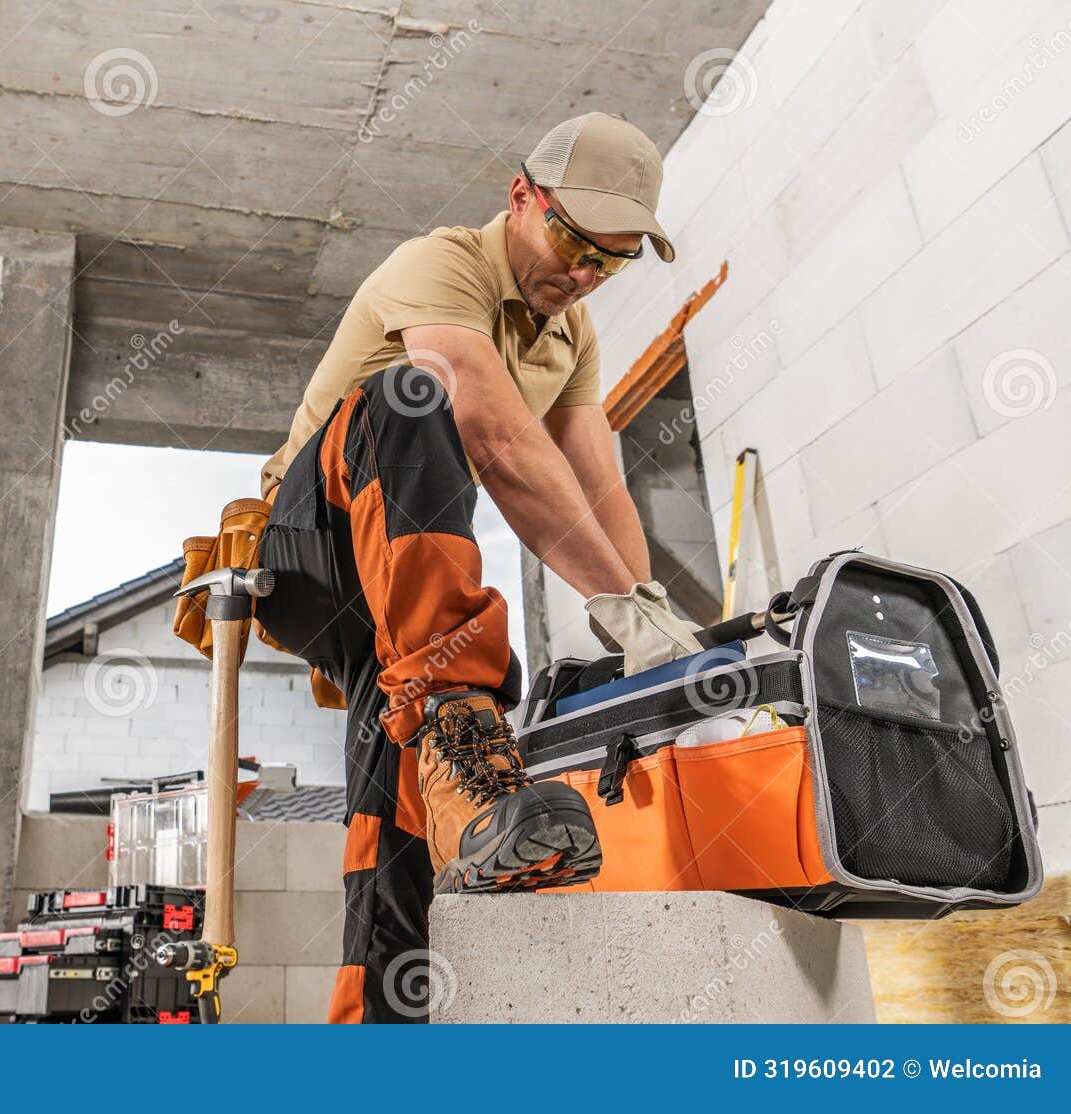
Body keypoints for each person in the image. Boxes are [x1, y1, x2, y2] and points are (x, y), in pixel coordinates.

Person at [253, 113, 705, 1023]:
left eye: (608, 262)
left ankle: (382, 1024)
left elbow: (598, 487)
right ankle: (464, 733)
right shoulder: (442, 263)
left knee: (412, 788)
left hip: (407, 589)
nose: (582, 274)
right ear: (521, 199)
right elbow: (493, 433)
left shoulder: (571, 338)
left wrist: (654, 616)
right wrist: (613, 594)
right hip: (310, 551)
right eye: (573, 241)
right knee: (412, 393)